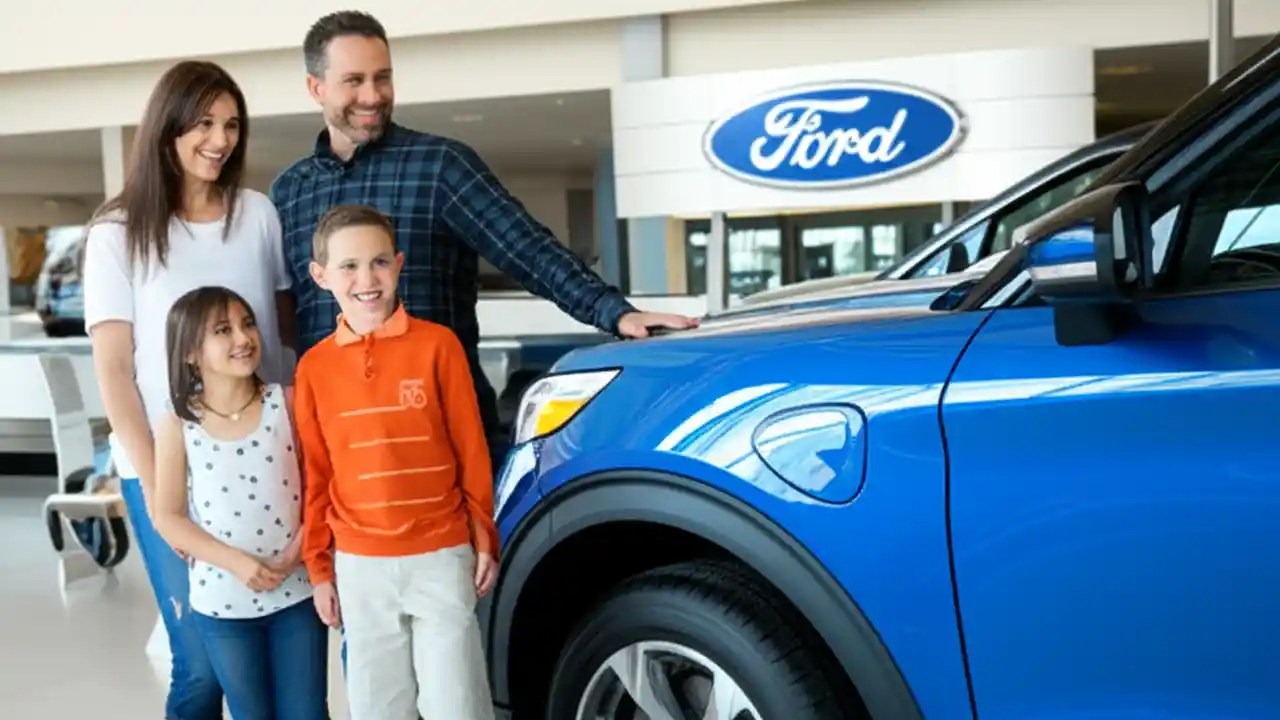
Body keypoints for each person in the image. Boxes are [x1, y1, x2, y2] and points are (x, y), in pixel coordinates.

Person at [269, 10, 699, 467]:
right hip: (337, 443)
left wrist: (614, 312)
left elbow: (526, 248)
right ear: (316, 87)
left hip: (445, 437)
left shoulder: (441, 166)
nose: (372, 95)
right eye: (353, 80)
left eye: (383, 77)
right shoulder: (290, 192)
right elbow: (285, 315)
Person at [81, 60, 294, 720]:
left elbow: (284, 343)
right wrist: (158, 493)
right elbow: (115, 370)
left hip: (263, 463)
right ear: (167, 128)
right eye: (204, 123)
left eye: (231, 125)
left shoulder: (256, 214)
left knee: (277, 648)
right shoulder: (117, 233)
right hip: (165, 470)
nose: (220, 139)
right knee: (201, 666)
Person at [293, 204, 499, 720]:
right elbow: (316, 474)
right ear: (320, 276)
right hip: (360, 565)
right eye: (349, 266)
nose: (367, 278)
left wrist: (483, 535)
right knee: (377, 707)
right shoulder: (314, 368)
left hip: (441, 554)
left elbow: (470, 449)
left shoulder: (439, 346)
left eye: (380, 262)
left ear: (399, 264)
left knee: (458, 705)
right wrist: (320, 568)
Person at [150, 286, 327, 720]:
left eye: (248, 324)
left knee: (306, 713)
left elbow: (321, 489)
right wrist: (237, 563)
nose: (243, 337)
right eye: (223, 330)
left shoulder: (286, 403)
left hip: (297, 595)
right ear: (191, 351)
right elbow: (168, 516)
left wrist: (299, 549)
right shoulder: (177, 425)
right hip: (222, 606)